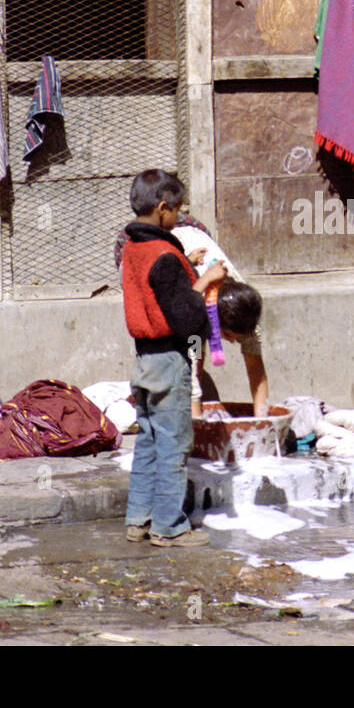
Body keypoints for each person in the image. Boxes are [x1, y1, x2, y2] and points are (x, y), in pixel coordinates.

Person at [119, 169, 226, 547]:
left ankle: (139, 519)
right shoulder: (163, 255)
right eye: (177, 212)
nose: (179, 218)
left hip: (144, 362)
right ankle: (169, 526)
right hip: (168, 361)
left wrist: (185, 264)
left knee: (148, 441)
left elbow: (156, 288)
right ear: (163, 208)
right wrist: (206, 279)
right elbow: (184, 316)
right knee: (174, 444)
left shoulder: (133, 246)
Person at [115, 216, 269, 416]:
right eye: (228, 335)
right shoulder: (192, 309)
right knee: (179, 354)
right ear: (213, 320)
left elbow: (256, 373)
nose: (231, 342)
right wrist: (197, 428)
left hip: (189, 234)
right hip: (138, 250)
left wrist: (262, 423)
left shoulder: (245, 310)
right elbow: (193, 371)